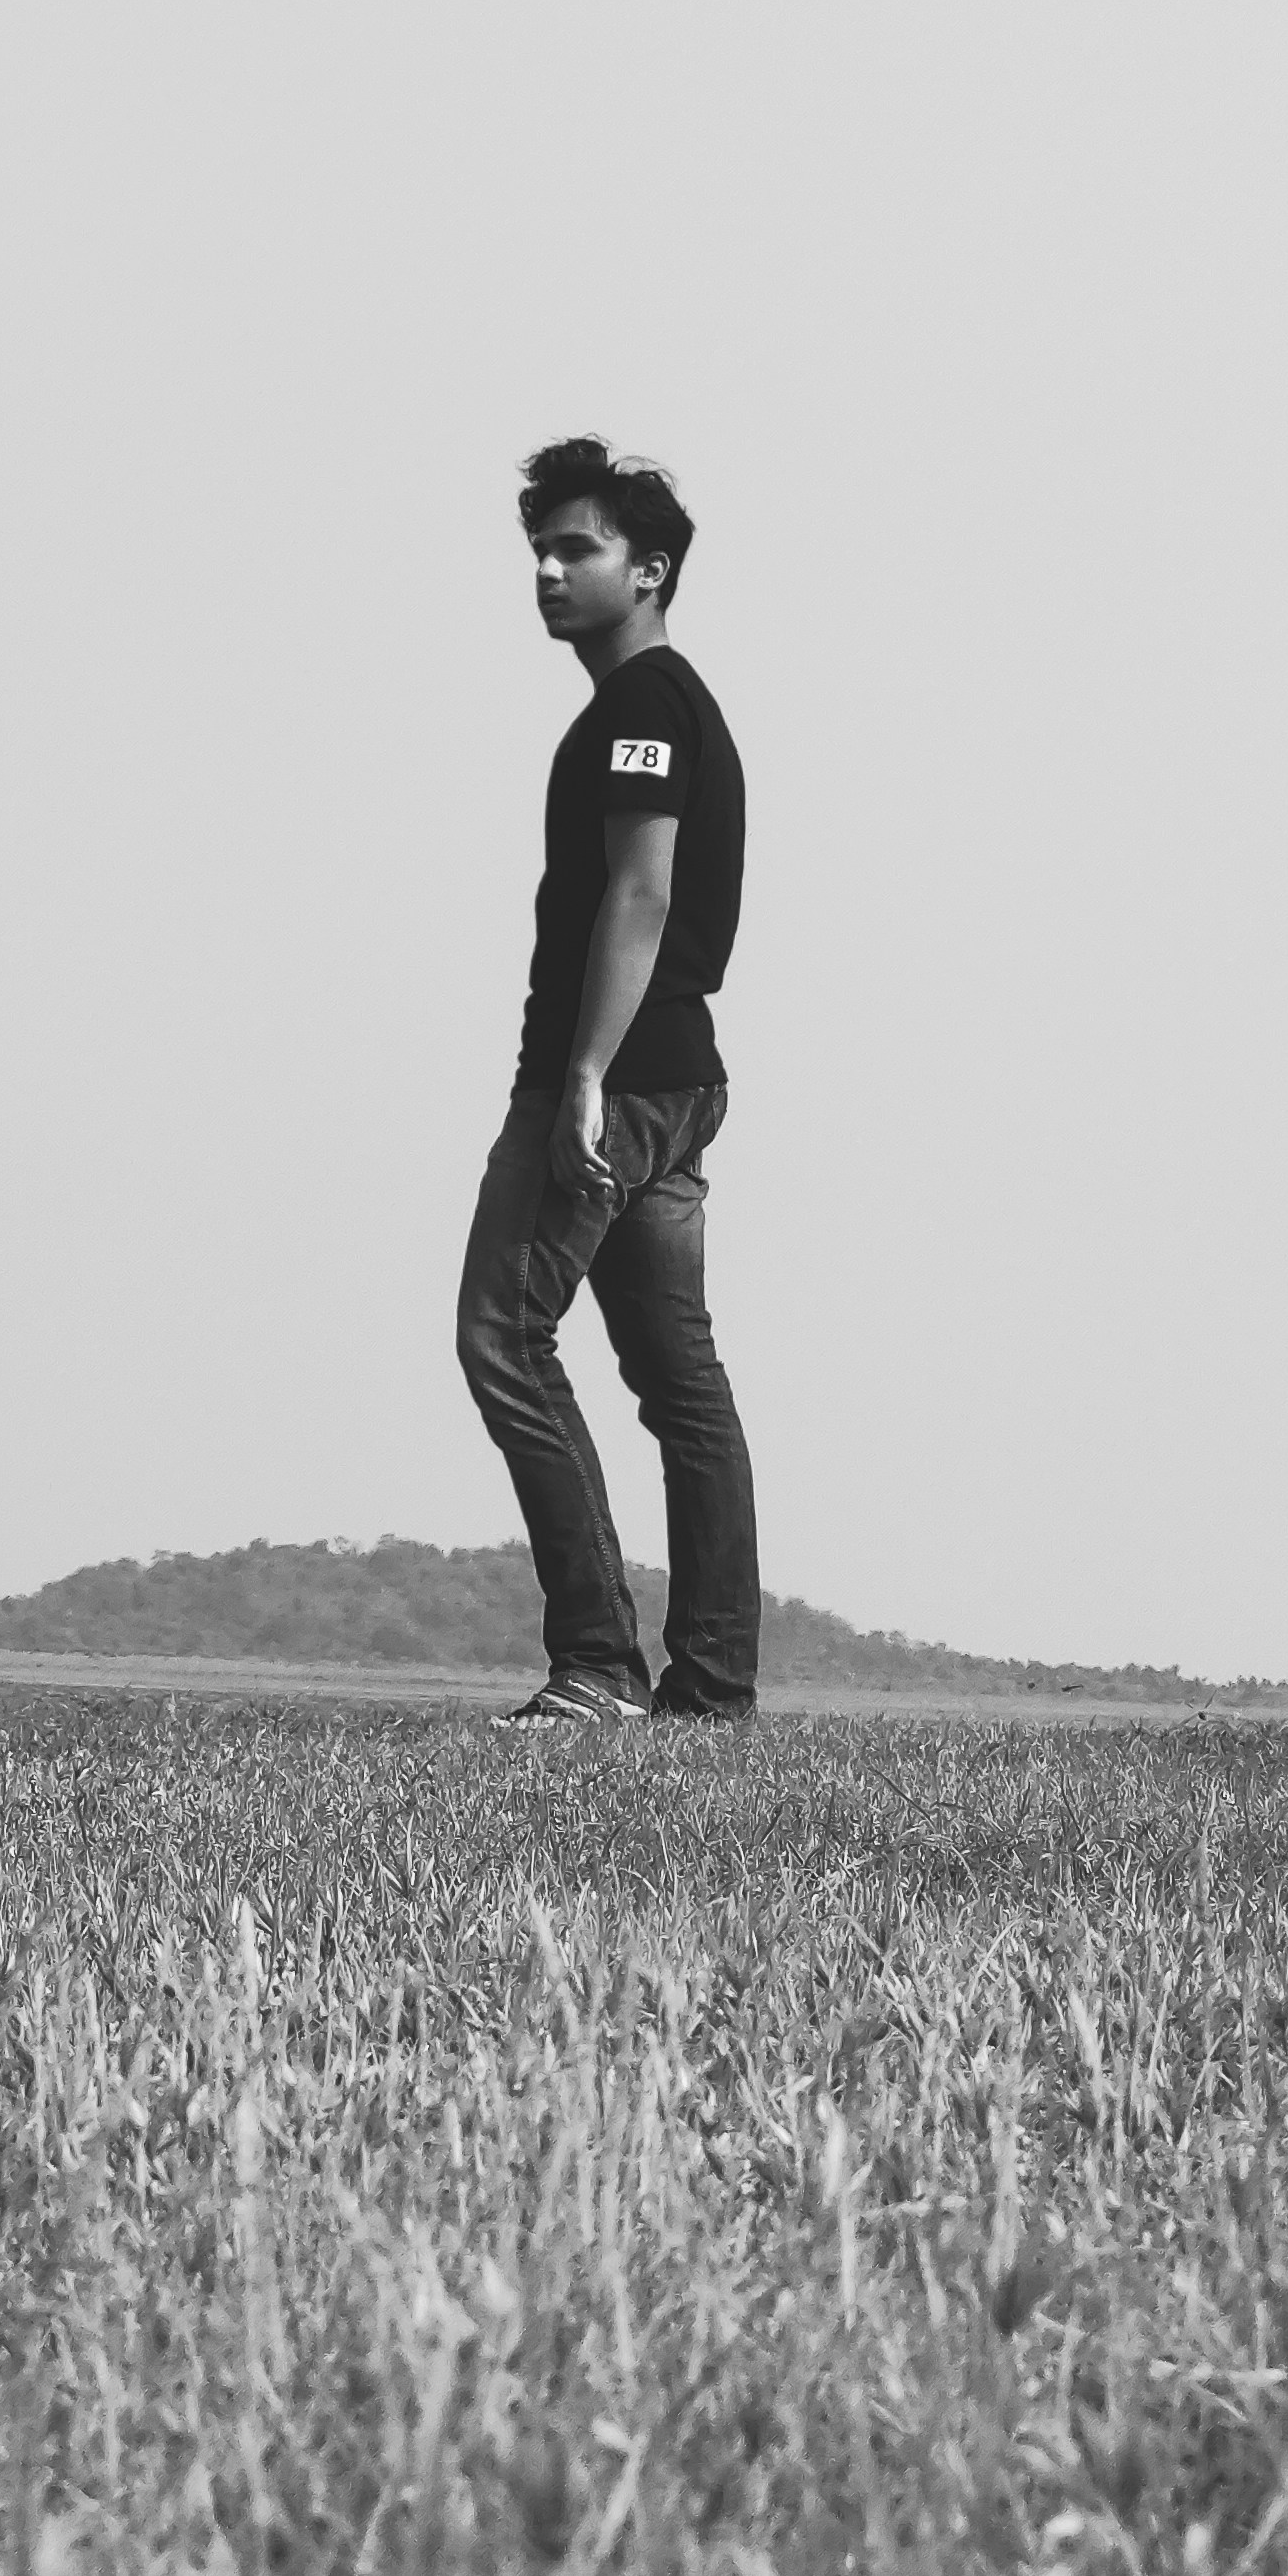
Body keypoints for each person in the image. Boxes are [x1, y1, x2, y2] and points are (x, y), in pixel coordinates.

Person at [464, 435, 762, 1726]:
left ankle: (597, 1665)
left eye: (575, 548)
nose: (547, 569)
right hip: (673, 1082)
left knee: (504, 1340)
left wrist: (580, 1077)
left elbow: (641, 893)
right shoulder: (641, 705)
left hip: (621, 1083)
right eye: (539, 547)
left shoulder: (646, 707)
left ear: (647, 569)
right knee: (679, 1383)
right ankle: (713, 1686)